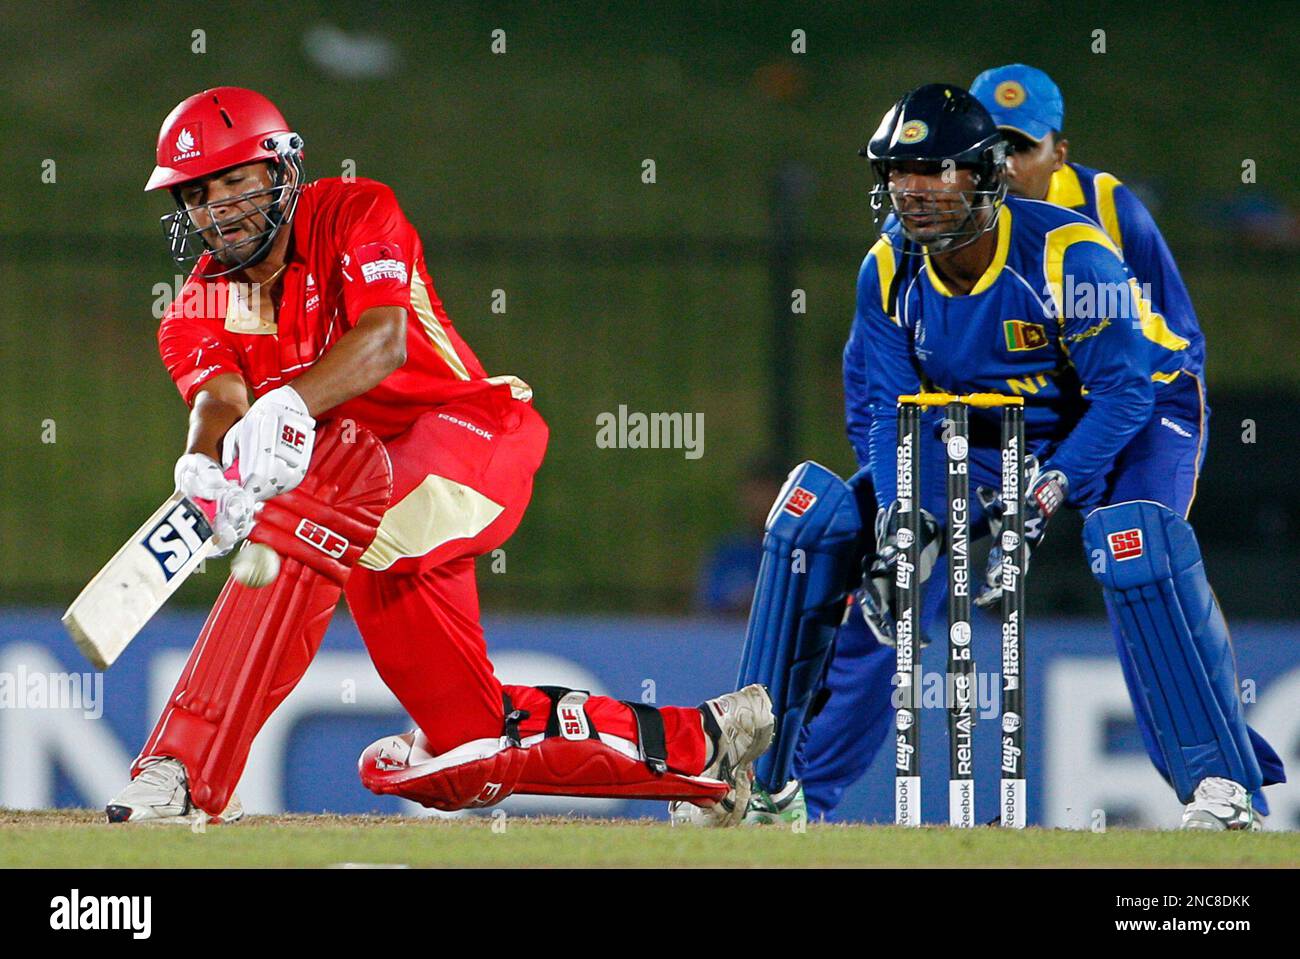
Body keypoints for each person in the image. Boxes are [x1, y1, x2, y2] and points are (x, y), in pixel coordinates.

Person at [106, 86, 773, 827]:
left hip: (467, 439)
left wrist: (290, 405)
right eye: (197, 194)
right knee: (463, 755)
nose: (218, 208)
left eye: (234, 181)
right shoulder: (202, 301)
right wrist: (202, 463)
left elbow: (383, 340)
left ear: (283, 170)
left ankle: (183, 770)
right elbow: (218, 397)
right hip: (361, 512)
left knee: (310, 493)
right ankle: (705, 750)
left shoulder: (354, 212)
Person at [747, 82, 1283, 829]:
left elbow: (1124, 396)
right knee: (840, 539)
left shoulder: (1071, 254)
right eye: (897, 170)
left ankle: (1223, 789)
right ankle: (775, 790)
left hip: (1131, 409)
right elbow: (890, 412)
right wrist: (906, 515)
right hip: (992, 427)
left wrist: (1047, 492)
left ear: (983, 175)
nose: (910, 189)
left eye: (932, 169)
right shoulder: (888, 270)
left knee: (1135, 551)